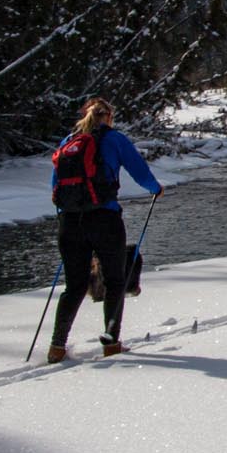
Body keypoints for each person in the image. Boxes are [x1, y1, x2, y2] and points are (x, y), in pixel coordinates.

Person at [46, 97, 163, 362]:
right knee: (114, 281)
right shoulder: (114, 139)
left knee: (74, 286)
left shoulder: (68, 141)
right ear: (108, 116)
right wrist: (156, 189)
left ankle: (57, 346)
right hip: (104, 219)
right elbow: (139, 170)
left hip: (70, 222)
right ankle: (111, 343)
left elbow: (55, 184)